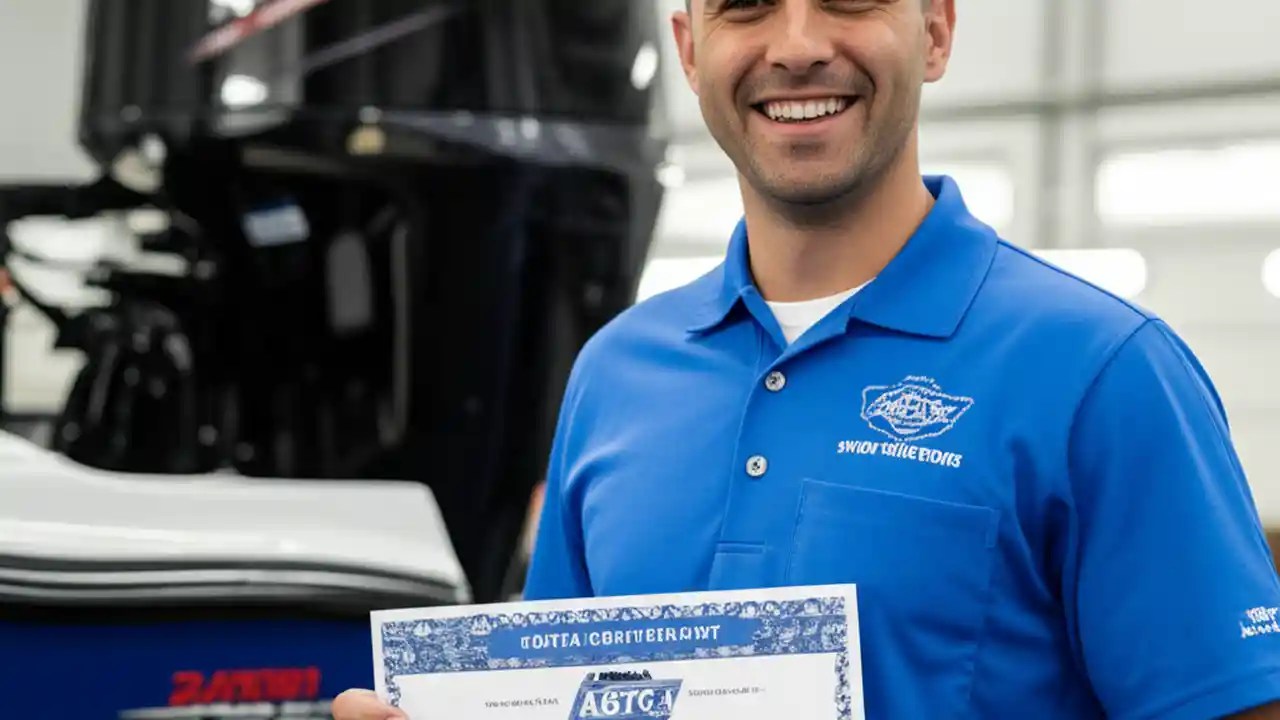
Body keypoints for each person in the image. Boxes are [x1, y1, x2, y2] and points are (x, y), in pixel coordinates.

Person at [335, 0, 1280, 717]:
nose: (795, 44)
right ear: (690, 48)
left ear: (938, 31)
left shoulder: (1102, 373)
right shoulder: (616, 373)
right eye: (744, 3)